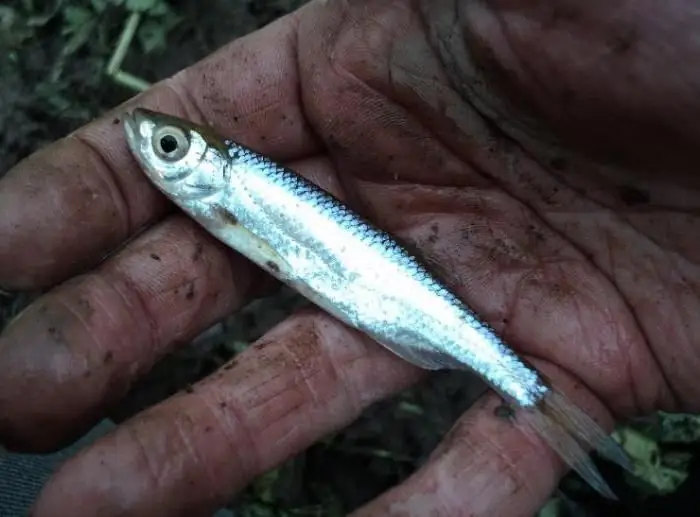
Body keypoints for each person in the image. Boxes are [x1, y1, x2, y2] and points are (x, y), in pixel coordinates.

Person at [0, 1, 696, 515]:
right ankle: (539, 402)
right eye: (167, 149)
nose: (156, 153)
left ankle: (529, 392)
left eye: (171, 149)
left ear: (208, 164)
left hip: (415, 303)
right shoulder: (225, 187)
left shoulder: (232, 185)